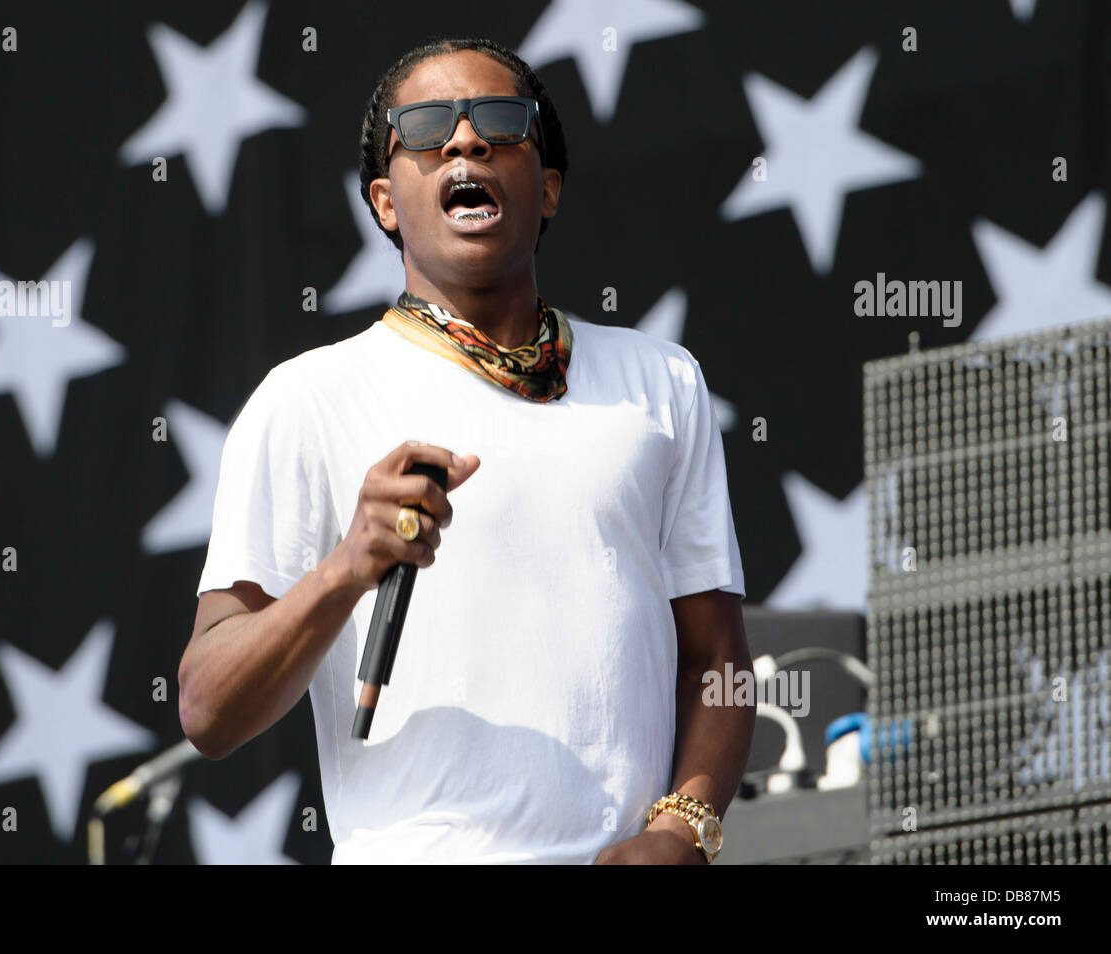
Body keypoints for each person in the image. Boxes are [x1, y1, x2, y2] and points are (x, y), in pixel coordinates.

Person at [178, 36, 755, 864]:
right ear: (384, 201)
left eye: (499, 121)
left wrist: (682, 829)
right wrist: (347, 567)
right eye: (423, 128)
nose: (463, 140)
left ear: (548, 188)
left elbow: (718, 659)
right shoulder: (306, 398)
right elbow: (206, 709)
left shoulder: (660, 379)